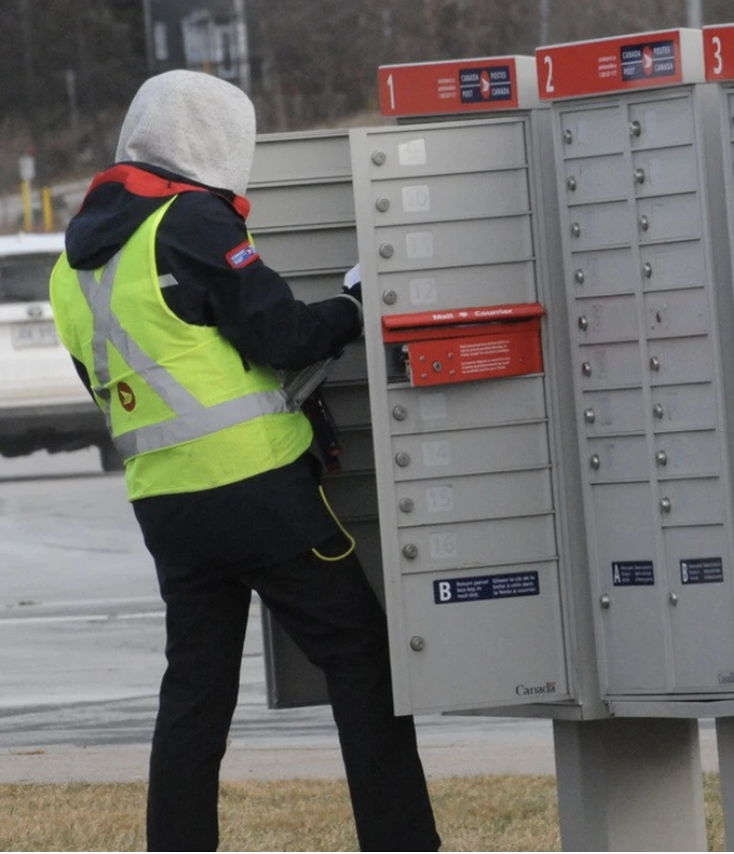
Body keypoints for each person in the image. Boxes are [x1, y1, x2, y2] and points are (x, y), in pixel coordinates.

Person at [48, 70, 441, 852]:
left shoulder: (72, 267)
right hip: (261, 494)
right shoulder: (192, 219)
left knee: (195, 695)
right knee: (361, 659)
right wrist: (355, 304)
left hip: (167, 507)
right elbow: (282, 336)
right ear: (216, 142)